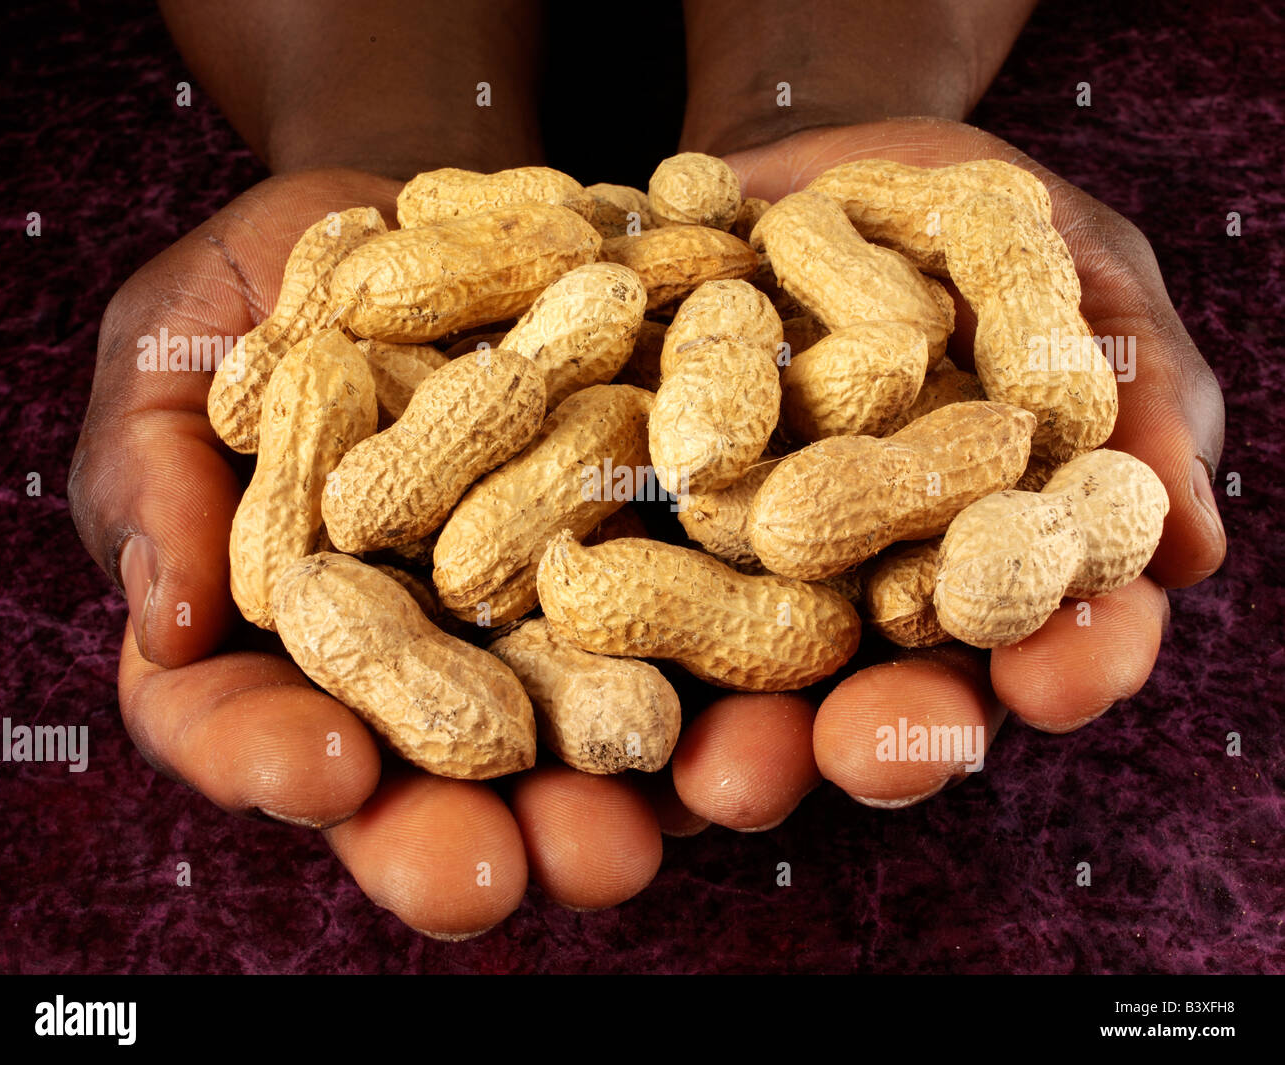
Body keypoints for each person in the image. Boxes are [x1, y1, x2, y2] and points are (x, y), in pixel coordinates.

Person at [68, 0, 1226, 940]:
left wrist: (835, 108)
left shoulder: (842, 374)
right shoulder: (423, 363)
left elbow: (835, 411)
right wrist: (376, 137)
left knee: (752, 509)